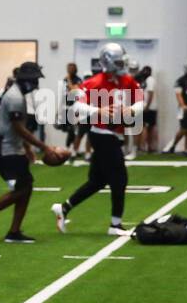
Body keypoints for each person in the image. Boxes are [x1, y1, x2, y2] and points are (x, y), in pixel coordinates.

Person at [51, 41, 142, 237]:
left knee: (97, 181)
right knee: (120, 179)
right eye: (118, 63)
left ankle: (64, 208)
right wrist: (97, 110)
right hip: (102, 134)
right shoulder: (94, 82)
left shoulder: (126, 80)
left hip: (115, 134)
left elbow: (140, 100)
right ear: (108, 63)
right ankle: (115, 224)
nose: (122, 66)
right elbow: (74, 105)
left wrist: (132, 109)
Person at [0, 62, 62, 244]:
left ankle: (14, 231)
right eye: (34, 81)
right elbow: (19, 128)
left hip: (11, 146)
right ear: (25, 80)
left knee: (25, 187)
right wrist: (44, 147)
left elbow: (19, 129)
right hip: (4, 147)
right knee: (23, 188)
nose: (35, 85)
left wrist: (27, 149)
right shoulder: (15, 98)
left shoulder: (18, 95)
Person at [136, 65, 157, 153]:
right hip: (150, 106)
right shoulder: (148, 80)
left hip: (147, 106)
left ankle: (144, 147)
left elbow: (150, 93)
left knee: (146, 127)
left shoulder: (146, 80)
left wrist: (146, 106)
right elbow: (150, 93)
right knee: (148, 127)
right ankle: (147, 147)